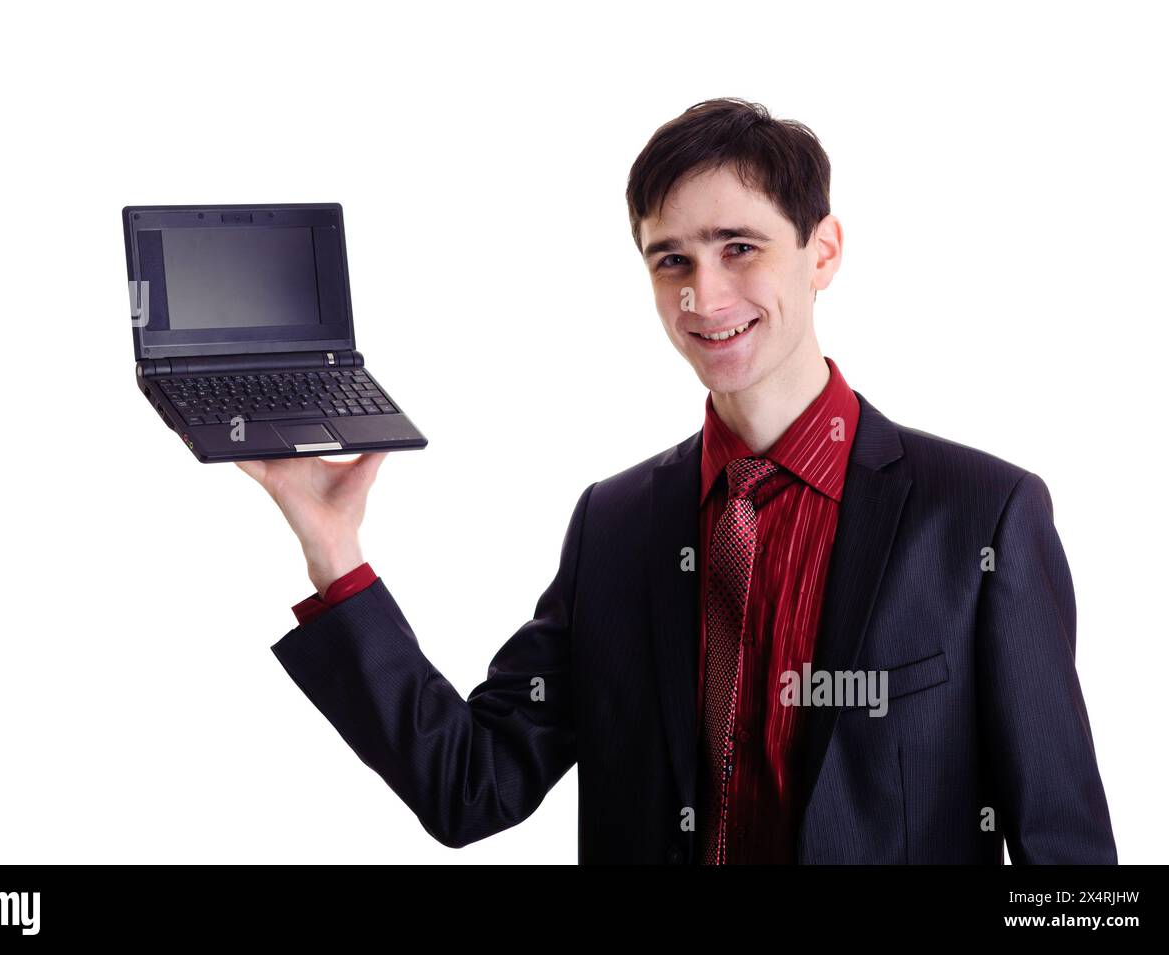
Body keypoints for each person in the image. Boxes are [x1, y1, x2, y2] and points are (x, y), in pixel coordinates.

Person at [237, 97, 1117, 864]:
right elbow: (474, 785)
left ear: (823, 251)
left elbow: (1068, 866)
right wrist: (334, 552)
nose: (704, 295)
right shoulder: (615, 526)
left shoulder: (981, 515)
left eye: (740, 247)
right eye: (672, 261)